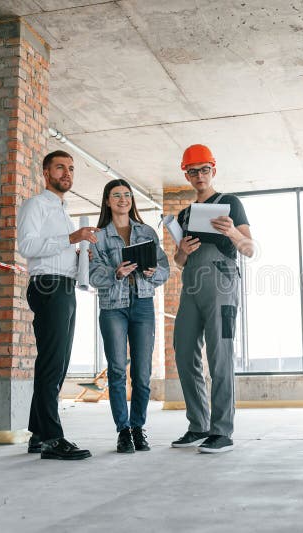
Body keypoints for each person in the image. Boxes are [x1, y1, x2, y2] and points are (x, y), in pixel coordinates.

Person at [170, 144, 253, 454]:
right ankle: (199, 425)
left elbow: (249, 249)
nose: (199, 175)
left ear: (213, 171)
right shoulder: (185, 214)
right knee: (183, 351)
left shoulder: (230, 203)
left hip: (222, 282)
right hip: (191, 286)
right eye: (193, 171)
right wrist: (182, 252)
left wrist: (231, 231)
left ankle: (222, 431)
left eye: (205, 169)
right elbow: (178, 261)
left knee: (220, 355)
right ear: (187, 175)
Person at [17, 150, 100, 460]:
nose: (67, 173)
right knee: (52, 364)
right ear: (46, 172)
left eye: (71, 169)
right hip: (48, 286)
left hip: (65, 285)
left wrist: (80, 256)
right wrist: (71, 238)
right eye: (61, 167)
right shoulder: (36, 205)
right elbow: (26, 246)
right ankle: (53, 438)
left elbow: (58, 248)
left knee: (57, 363)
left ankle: (38, 434)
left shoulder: (64, 212)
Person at [90, 179, 170, 453]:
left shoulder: (146, 231)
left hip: (144, 304)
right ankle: (123, 431)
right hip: (113, 306)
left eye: (127, 195)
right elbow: (92, 274)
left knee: (142, 372)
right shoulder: (99, 236)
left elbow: (164, 269)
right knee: (115, 370)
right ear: (107, 201)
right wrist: (116, 273)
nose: (123, 199)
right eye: (116, 195)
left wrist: (152, 273)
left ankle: (138, 428)